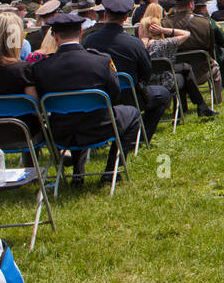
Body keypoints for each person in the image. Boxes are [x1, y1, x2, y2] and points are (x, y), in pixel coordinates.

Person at [26, 12, 143, 183]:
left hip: (60, 133)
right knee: (133, 113)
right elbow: (114, 94)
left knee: (73, 113)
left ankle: (78, 172)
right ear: (80, 34)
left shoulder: (40, 67)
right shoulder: (101, 61)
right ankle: (111, 171)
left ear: (55, 36)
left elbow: (41, 102)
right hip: (99, 128)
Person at [85, 0, 172, 140]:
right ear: (126, 18)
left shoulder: (89, 41)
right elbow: (146, 72)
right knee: (163, 94)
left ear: (105, 15)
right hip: (130, 97)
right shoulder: (135, 43)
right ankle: (140, 136)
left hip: (99, 96)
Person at [137, 3, 215, 118]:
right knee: (183, 73)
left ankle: (193, 107)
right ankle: (199, 106)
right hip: (164, 82)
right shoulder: (164, 44)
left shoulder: (135, 46)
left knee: (183, 68)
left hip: (143, 84)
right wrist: (163, 30)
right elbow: (186, 34)